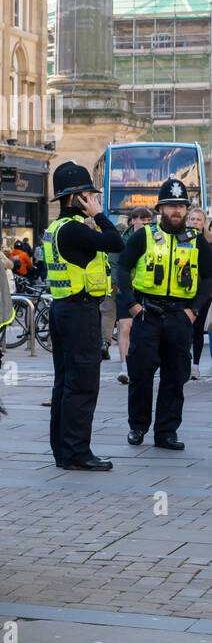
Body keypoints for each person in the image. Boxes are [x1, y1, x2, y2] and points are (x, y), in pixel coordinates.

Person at [116, 178, 212, 450]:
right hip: (147, 315)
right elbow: (122, 269)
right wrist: (133, 306)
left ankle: (166, 432)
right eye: (171, 206)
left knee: (175, 376)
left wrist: (193, 311)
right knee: (141, 374)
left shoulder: (195, 241)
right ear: (160, 209)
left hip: (179, 318)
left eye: (181, 206)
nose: (177, 211)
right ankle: (138, 427)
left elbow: (208, 278)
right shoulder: (143, 236)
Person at [43, 161, 124, 471]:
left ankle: (63, 451)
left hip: (63, 309)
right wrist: (99, 215)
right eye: (89, 194)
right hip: (79, 312)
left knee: (64, 382)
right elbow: (116, 242)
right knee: (83, 383)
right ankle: (77, 452)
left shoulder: (58, 228)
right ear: (74, 196)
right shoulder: (76, 229)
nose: (94, 198)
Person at [112, 207, 153, 384]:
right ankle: (125, 367)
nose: (145, 223)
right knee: (125, 327)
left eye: (148, 221)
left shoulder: (155, 240)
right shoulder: (123, 241)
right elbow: (115, 264)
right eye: (142, 220)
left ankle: (140, 364)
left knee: (142, 330)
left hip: (146, 291)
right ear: (132, 221)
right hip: (125, 290)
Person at [187, 206, 210, 379]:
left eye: (198, 220)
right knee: (184, 329)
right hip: (184, 291)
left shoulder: (209, 242)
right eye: (192, 219)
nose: (195, 222)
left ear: (204, 223)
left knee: (198, 328)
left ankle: (195, 365)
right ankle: (184, 362)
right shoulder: (181, 239)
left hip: (203, 292)